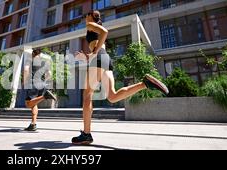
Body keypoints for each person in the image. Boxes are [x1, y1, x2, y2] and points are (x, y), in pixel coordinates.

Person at [72, 10, 169, 145]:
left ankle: (86, 134)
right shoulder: (92, 28)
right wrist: (88, 56)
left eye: (85, 15)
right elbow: (100, 46)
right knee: (112, 96)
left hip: (99, 57)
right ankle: (144, 84)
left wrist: (92, 54)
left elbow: (105, 33)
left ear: (91, 17)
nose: (84, 18)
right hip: (105, 58)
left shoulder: (90, 25)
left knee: (87, 94)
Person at [22, 49, 57, 131]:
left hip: (32, 83)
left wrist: (24, 81)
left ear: (33, 54)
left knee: (28, 104)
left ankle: (45, 96)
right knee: (34, 104)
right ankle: (33, 124)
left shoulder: (30, 61)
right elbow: (49, 74)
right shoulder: (44, 63)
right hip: (41, 84)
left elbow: (26, 70)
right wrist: (44, 81)